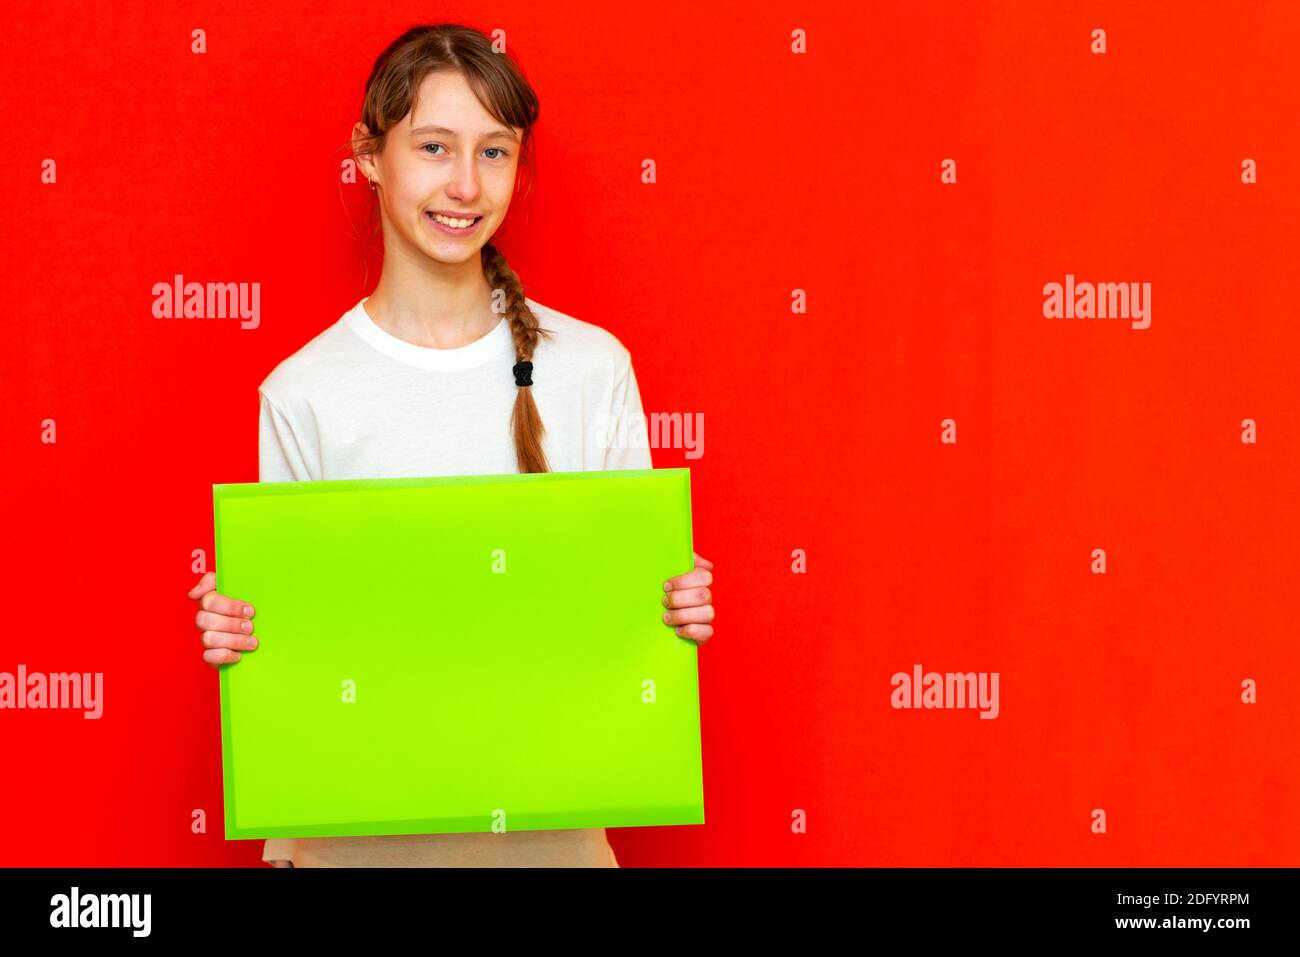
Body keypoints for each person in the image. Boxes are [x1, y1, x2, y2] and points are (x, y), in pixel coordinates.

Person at [186, 23, 714, 868]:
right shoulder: (303, 392)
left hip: (552, 844)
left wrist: (670, 609)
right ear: (369, 154)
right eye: (434, 146)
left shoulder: (591, 369)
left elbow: (625, 634)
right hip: (344, 845)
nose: (465, 184)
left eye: (495, 152)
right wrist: (247, 629)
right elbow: (304, 661)